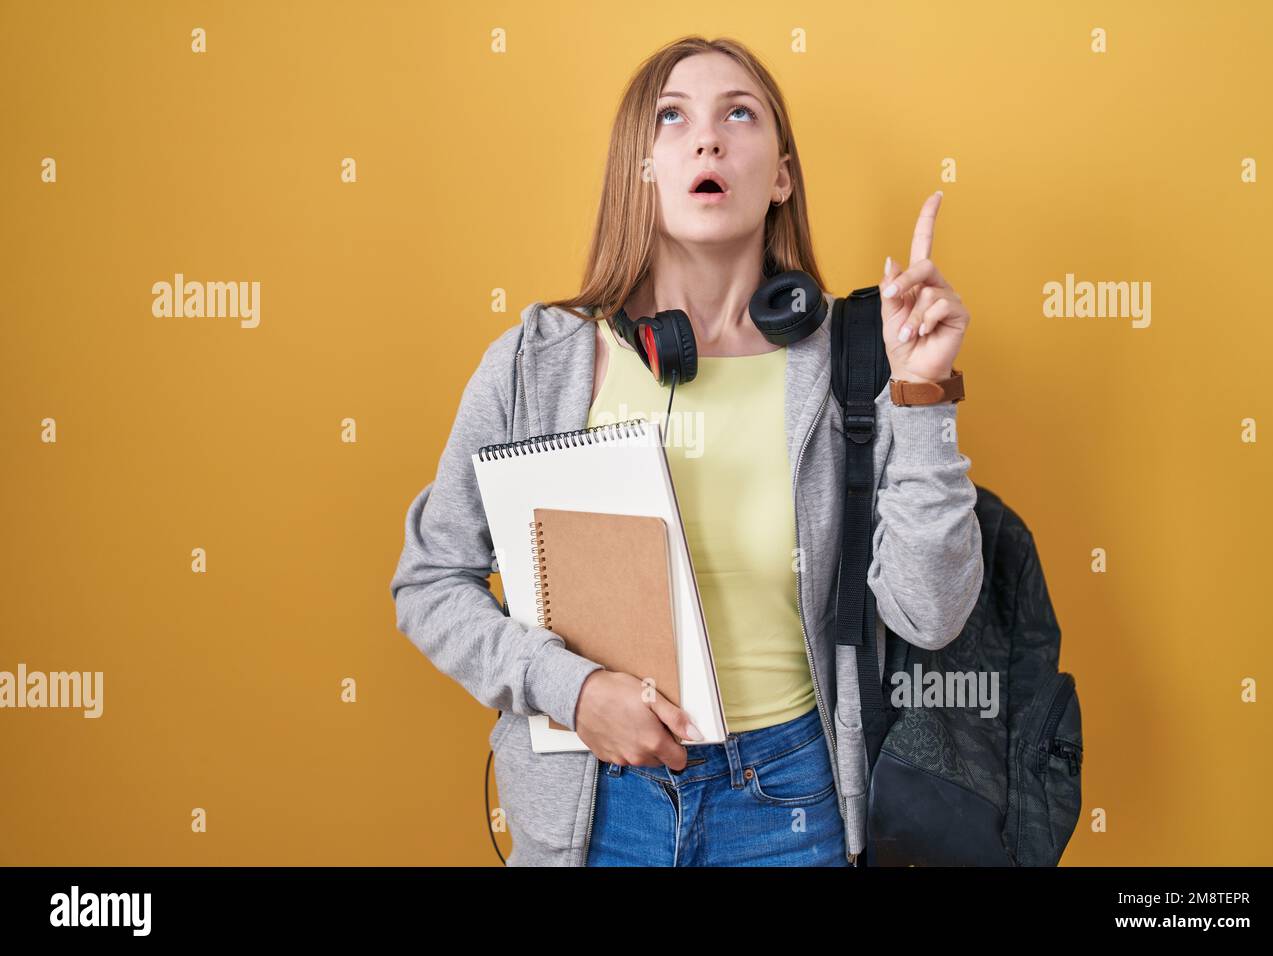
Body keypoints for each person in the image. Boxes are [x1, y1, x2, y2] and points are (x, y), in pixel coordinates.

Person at [389, 35, 982, 867]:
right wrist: (574, 690)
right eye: (673, 119)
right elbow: (428, 580)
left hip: (790, 803)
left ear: (780, 175)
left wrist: (919, 393)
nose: (708, 138)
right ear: (642, 169)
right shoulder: (538, 364)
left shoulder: (857, 362)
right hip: (594, 810)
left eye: (739, 114)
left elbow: (931, 610)